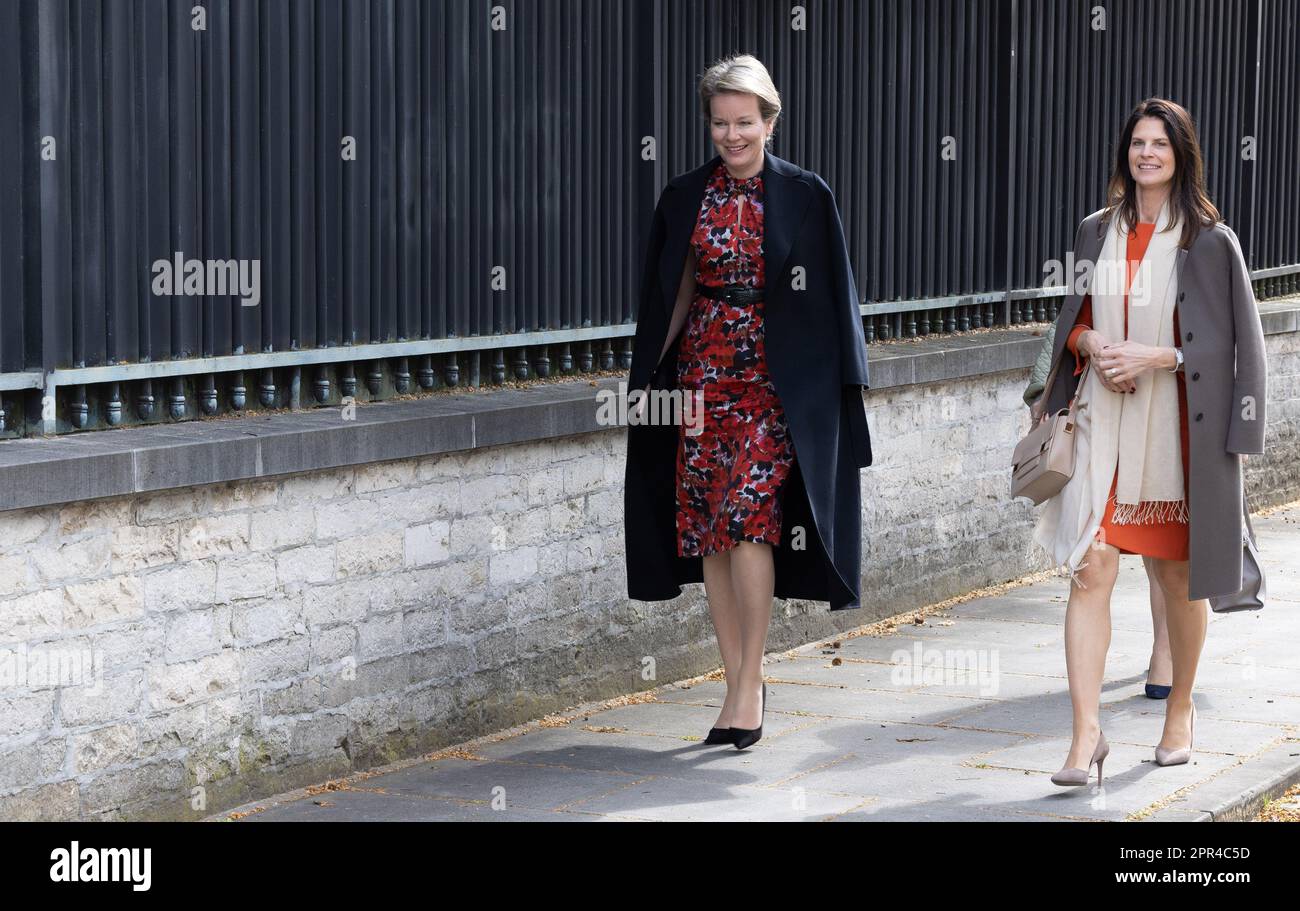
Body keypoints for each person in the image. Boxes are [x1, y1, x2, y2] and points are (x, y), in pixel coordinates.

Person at [623, 54, 874, 751]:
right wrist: (647, 383)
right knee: (707, 528)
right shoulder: (682, 196)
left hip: (775, 380)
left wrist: (844, 399)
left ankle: (749, 680)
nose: (732, 136)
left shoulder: (805, 194)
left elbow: (835, 297)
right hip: (702, 376)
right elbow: (673, 293)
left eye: (744, 122)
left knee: (749, 520)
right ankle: (737, 680)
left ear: (769, 120)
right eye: (719, 123)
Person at [1032, 98, 1267, 786]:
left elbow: (1237, 347)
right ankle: (1084, 740)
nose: (1146, 154)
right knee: (1091, 566)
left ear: (1180, 154)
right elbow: (1066, 323)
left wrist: (1156, 357)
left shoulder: (1209, 241)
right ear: (1125, 153)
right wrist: (1091, 341)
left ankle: (1181, 711)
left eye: (1159, 144)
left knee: (1174, 576)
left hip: (1175, 433)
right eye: (1137, 143)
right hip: (1103, 425)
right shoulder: (1094, 233)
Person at [1024, 329, 1174, 701]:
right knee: (1094, 552)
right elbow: (1074, 308)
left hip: (1165, 395)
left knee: (1163, 538)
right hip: (1096, 402)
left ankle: (1166, 653)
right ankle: (1086, 722)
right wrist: (1085, 344)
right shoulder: (1098, 266)